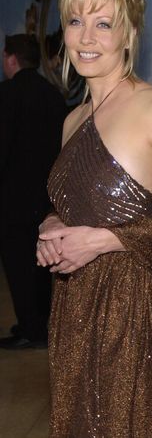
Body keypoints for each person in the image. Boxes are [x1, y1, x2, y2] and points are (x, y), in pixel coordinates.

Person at [36, 0, 152, 437]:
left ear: (128, 35)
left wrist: (104, 240)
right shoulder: (72, 121)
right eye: (75, 22)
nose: (86, 38)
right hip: (73, 310)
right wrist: (50, 226)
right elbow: (76, 208)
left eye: (103, 24)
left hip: (135, 316)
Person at [0, 34, 66, 349]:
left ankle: (29, 328)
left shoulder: (7, 94)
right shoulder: (53, 95)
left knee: (17, 266)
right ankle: (42, 325)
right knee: (42, 265)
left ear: (11, 59)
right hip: (47, 200)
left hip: (12, 201)